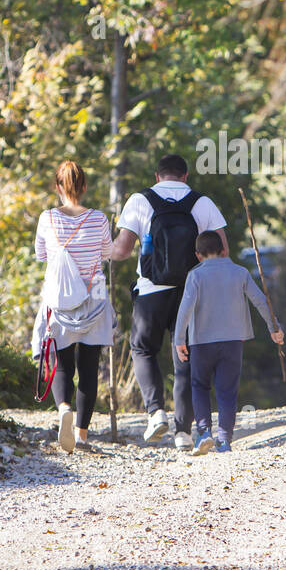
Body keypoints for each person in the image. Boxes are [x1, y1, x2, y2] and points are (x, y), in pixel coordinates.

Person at [111, 154, 229, 449]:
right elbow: (223, 251)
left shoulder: (140, 200)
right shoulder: (202, 202)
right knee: (186, 360)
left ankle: (155, 412)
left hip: (151, 290)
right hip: (192, 291)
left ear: (157, 175)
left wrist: (94, 252)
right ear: (185, 176)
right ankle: (183, 433)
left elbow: (123, 250)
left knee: (142, 348)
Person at [174, 232, 284, 454]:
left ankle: (204, 432)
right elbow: (261, 301)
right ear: (224, 250)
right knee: (227, 390)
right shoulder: (240, 273)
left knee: (199, 386)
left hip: (201, 342)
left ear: (198, 255)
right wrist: (274, 327)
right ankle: (224, 439)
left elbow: (185, 309)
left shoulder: (195, 276)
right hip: (233, 341)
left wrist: (179, 339)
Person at [33, 160, 115, 454]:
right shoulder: (99, 219)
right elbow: (107, 253)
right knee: (89, 367)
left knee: (63, 363)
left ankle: (63, 408)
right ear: (84, 187)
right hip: (93, 298)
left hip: (60, 299)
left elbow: (41, 255)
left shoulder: (47, 218)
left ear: (58, 187)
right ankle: (81, 436)